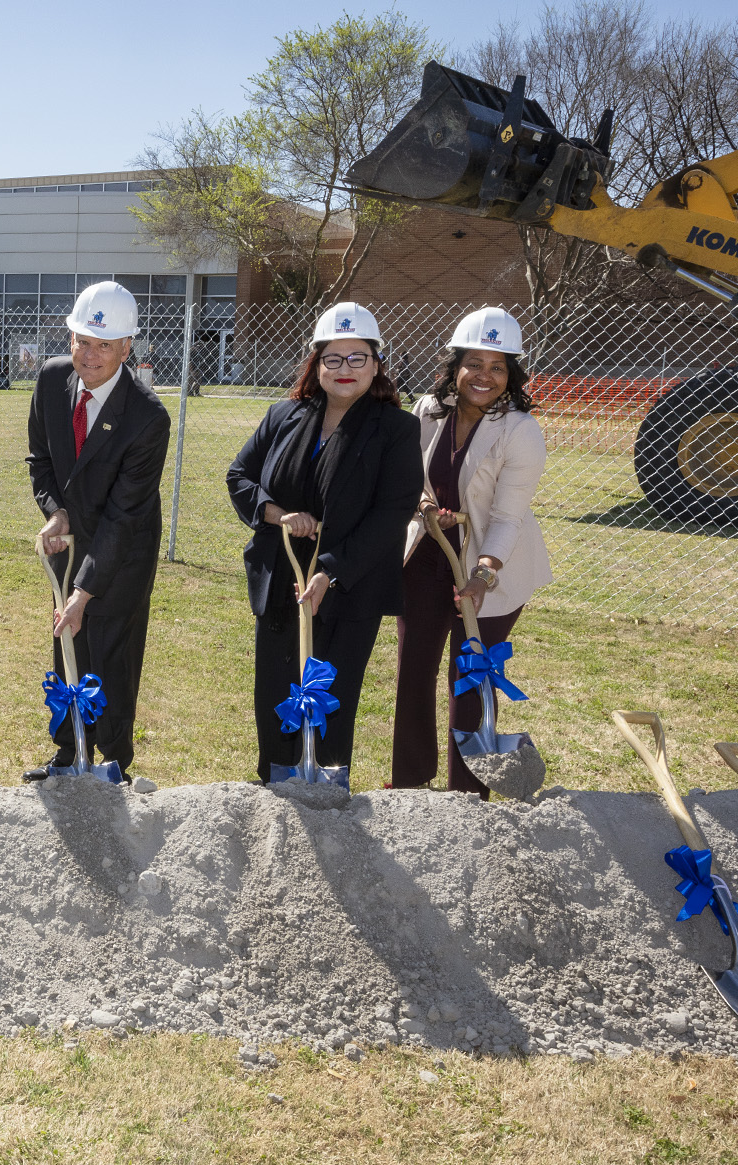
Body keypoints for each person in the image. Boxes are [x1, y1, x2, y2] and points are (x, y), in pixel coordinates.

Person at [225, 302, 423, 784]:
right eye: (332, 358)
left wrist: (329, 570)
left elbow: (392, 511)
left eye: (358, 357)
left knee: (333, 686)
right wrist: (278, 515)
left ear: (377, 363)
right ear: (315, 363)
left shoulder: (396, 428)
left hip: (350, 585)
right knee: (276, 684)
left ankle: (327, 782)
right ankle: (277, 779)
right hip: (283, 578)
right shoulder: (284, 414)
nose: (345, 369)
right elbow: (240, 476)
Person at [391, 307, 551, 796]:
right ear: (454, 365)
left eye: (497, 367)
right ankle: (411, 782)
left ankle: (469, 791)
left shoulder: (520, 430)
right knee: (414, 668)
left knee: (472, 674)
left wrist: (482, 577)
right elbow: (411, 471)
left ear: (511, 375)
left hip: (490, 564)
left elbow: (508, 517)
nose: (485, 376)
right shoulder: (427, 410)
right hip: (427, 555)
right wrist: (420, 498)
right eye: (474, 364)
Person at [24, 281, 170, 782]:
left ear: (127, 347)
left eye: (104, 345)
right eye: (82, 341)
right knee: (67, 648)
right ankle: (68, 753)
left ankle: (111, 759)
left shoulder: (148, 418)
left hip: (121, 553)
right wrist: (56, 511)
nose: (90, 355)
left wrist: (84, 592)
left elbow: (124, 516)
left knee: (111, 652)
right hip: (71, 543)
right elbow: (40, 459)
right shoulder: (50, 381)